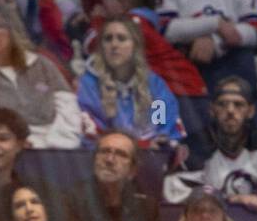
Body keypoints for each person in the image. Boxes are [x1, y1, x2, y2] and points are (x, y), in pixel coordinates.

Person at [0, 6, 89, 149]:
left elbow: (68, 110)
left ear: (13, 32)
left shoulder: (42, 65)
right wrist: (2, 142)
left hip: (49, 144)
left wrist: (51, 144)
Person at [80, 0, 206, 108]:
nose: (103, 1)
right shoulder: (141, 21)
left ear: (124, 4)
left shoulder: (132, 25)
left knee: (164, 126)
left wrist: (97, 19)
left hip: (181, 92)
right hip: (185, 89)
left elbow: (94, 45)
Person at [164, 76, 257, 209]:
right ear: (212, 110)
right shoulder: (193, 146)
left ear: (251, 111)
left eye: (238, 104)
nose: (230, 110)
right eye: (222, 104)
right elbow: (173, 193)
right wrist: (227, 200)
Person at [76, 15, 185, 155]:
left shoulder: (154, 85)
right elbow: (90, 136)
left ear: (135, 46)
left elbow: (163, 125)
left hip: (149, 162)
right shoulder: (88, 85)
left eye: (121, 38)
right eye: (108, 39)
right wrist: (110, 115)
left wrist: (160, 141)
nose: (114, 45)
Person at [69, 128, 164, 221]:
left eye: (121, 154)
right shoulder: (71, 201)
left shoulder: (147, 208)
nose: (110, 159)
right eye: (104, 151)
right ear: (94, 160)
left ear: (132, 170)